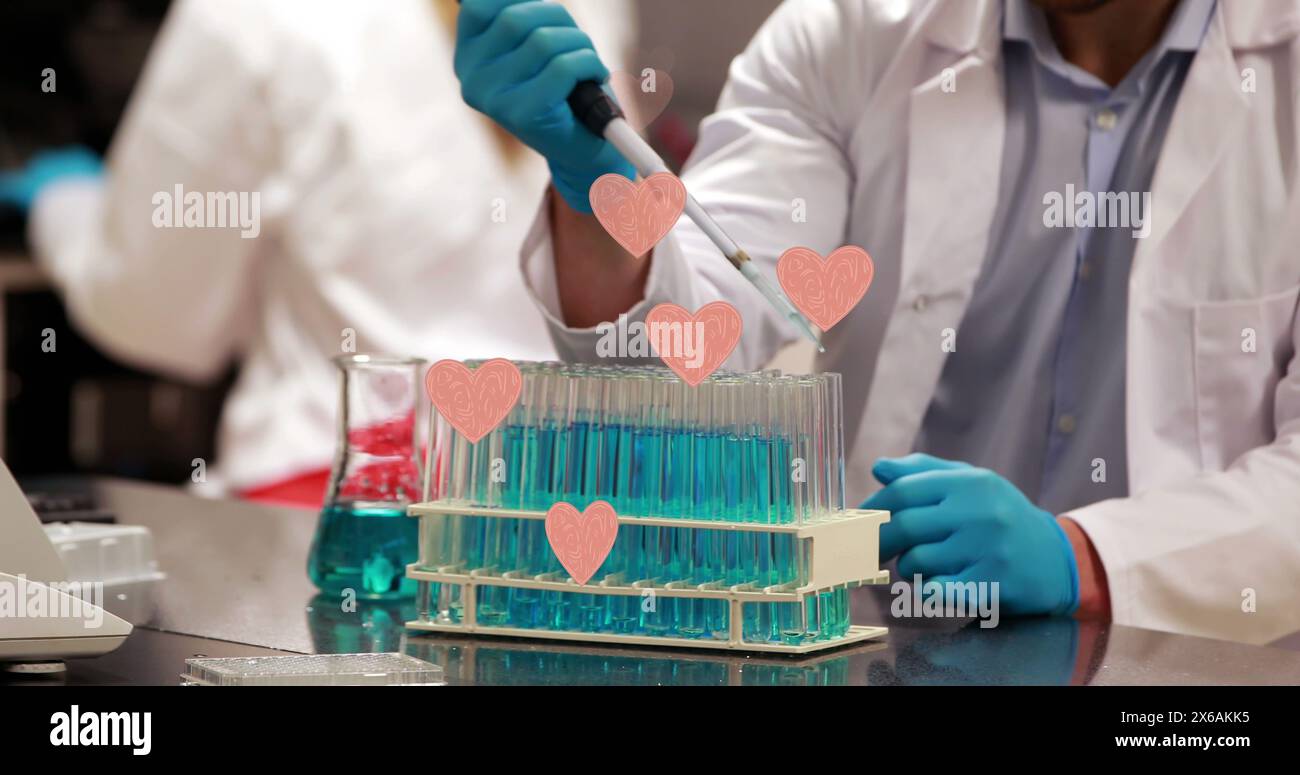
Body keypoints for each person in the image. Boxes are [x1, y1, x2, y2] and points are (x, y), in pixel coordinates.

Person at [453, 0, 1300, 645]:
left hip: (1195, 686)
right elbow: (677, 355)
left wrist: (1084, 556)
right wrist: (600, 188)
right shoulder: (853, 33)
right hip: (880, 648)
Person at [0, 0, 633, 505]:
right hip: (564, 504)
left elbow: (152, 313)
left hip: (341, 515)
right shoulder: (585, 11)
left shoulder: (256, 16)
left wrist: (64, 205)